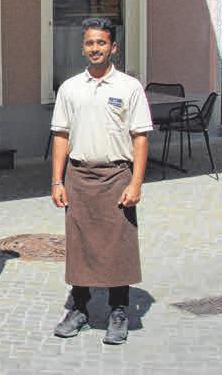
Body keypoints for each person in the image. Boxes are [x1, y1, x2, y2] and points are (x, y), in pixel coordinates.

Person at [49, 17, 152, 345]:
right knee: (78, 245)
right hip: (78, 176)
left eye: (101, 43)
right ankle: (79, 308)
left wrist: (136, 183)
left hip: (117, 176)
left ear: (113, 47)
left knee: (118, 245)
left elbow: (140, 138)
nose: (95, 48)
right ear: (83, 48)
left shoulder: (129, 87)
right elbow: (61, 135)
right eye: (90, 43)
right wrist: (57, 181)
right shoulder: (70, 88)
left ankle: (118, 311)